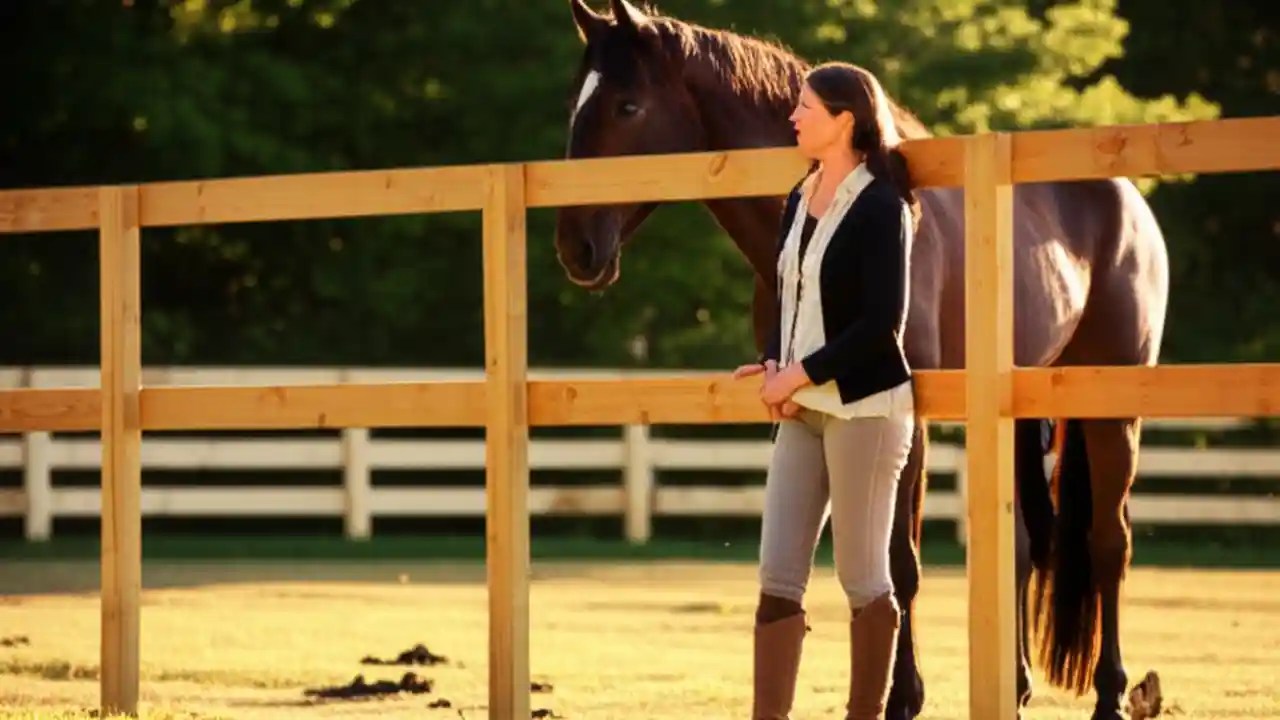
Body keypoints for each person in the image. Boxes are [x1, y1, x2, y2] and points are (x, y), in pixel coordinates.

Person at [732, 61, 921, 720]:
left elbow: (880, 326)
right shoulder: (798, 195)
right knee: (777, 576)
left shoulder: (882, 205)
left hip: (865, 411)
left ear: (845, 119)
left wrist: (799, 373)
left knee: (863, 578)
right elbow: (794, 300)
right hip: (803, 409)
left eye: (805, 107)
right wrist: (772, 364)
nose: (793, 116)